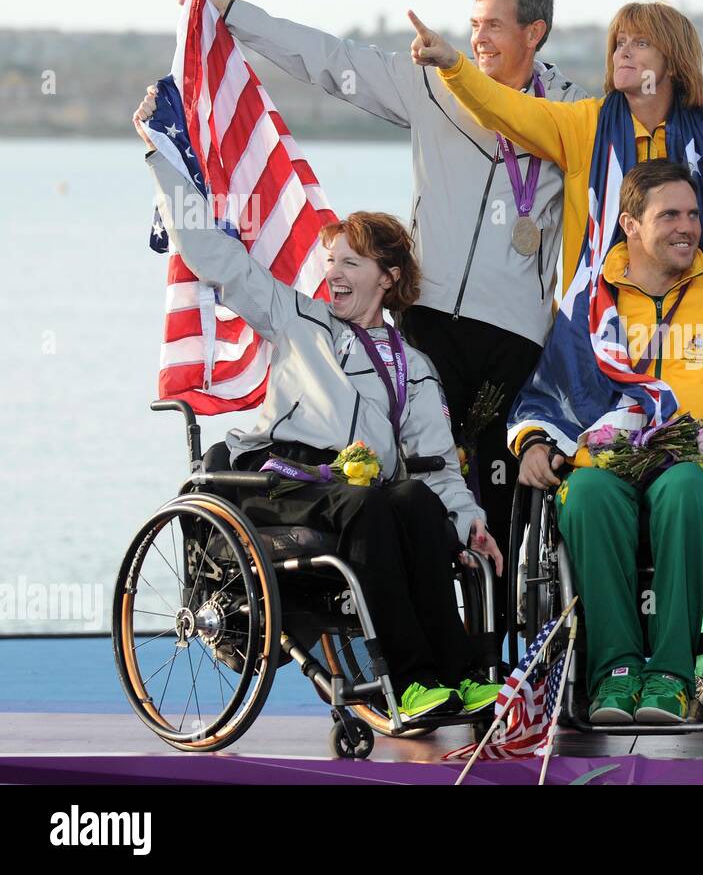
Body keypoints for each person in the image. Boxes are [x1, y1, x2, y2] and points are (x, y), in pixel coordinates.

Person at [200, 0, 584, 628]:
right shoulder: (430, 82)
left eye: (493, 25)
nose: (478, 37)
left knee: (494, 491)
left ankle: (492, 652)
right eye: (474, 24)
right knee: (415, 480)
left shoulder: (575, 107)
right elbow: (330, 60)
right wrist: (237, 16)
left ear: (534, 33)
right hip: (427, 321)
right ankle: (421, 638)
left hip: (512, 335)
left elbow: (656, 124)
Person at [133, 86, 505, 723]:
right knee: (367, 503)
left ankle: (464, 675)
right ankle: (411, 683)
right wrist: (161, 157)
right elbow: (217, 257)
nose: (331, 273)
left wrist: (470, 516)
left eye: (350, 263)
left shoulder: (412, 366)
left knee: (414, 499)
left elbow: (438, 465)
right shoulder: (297, 319)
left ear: (388, 278)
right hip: (277, 478)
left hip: (357, 491)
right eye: (330, 260)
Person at [513, 160, 703, 725]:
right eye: (669, 214)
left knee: (681, 486)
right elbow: (547, 396)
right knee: (589, 492)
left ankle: (674, 674)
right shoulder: (591, 307)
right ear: (630, 224)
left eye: (694, 214)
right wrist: (532, 442)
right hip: (612, 468)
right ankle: (615, 674)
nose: (687, 227)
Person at [406, 0, 703, 292]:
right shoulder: (584, 124)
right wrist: (453, 64)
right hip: (598, 333)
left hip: (696, 332)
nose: (623, 52)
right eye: (619, 43)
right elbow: (503, 108)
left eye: (640, 43)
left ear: (673, 61)